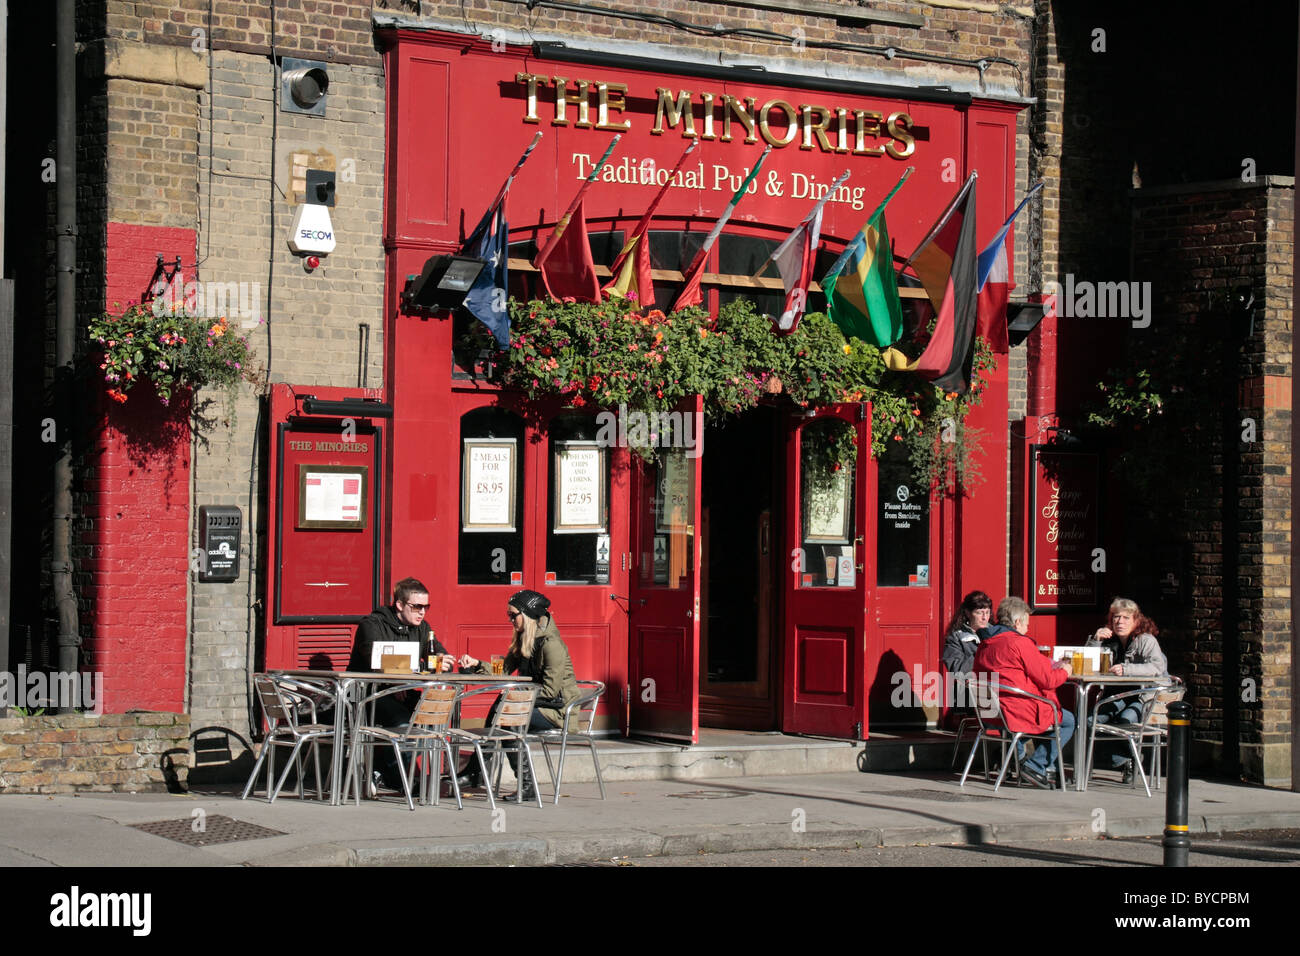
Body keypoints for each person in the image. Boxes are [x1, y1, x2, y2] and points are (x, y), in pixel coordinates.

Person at [456, 589, 581, 800]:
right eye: (509, 615)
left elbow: (550, 692)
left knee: (508, 718)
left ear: (528, 614)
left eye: (513, 615)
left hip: (557, 711)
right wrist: (477, 664)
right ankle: (477, 772)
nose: (510, 620)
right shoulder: (524, 639)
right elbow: (502, 671)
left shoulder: (552, 645)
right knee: (504, 709)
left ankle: (522, 784)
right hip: (534, 705)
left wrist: (518, 694)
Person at [348, 577, 453, 793]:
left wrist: (445, 660)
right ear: (400, 605)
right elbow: (374, 659)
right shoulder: (372, 624)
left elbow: (438, 657)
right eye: (417, 607)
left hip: (401, 692)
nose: (422, 612)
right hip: (370, 695)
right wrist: (400, 679)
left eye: (426, 607)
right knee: (403, 722)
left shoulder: (423, 629)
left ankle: (388, 771)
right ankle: (397, 777)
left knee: (434, 716)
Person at [972, 596, 1075, 789]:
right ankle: (1035, 767)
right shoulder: (1019, 643)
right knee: (1067, 720)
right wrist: (1065, 671)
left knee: (1047, 716)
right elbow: (1048, 680)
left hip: (992, 713)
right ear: (1018, 622)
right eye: (1026, 623)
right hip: (1018, 712)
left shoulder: (985, 644)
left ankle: (1027, 765)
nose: (1027, 628)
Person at [1085, 597, 1169, 780]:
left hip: (1141, 696)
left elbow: (1157, 668)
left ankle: (1128, 761)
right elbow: (1087, 666)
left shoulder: (1146, 640)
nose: (1119, 622)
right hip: (1114, 696)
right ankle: (1128, 758)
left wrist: (1127, 669)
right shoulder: (1109, 640)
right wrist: (1096, 640)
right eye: (1116, 617)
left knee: (1125, 721)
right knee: (1089, 722)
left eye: (1125, 617)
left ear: (1136, 620)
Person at [941, 590, 993, 676]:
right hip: (969, 687)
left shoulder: (998, 634)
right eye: (979, 613)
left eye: (987, 612)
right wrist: (982, 653)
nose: (984, 617)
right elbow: (957, 669)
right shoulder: (956, 637)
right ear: (968, 613)